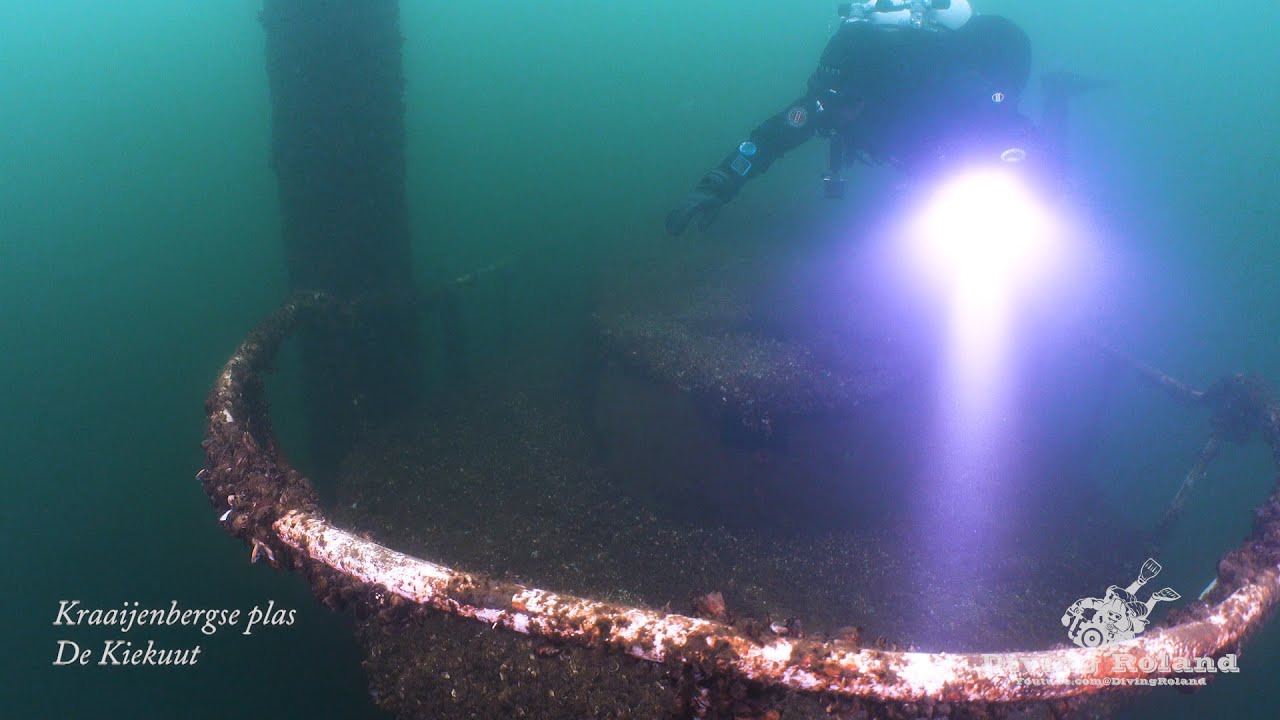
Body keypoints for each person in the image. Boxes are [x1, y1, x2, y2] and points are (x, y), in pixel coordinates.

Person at [666, 0, 1049, 236]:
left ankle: (1062, 96)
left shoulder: (950, 88)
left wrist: (1021, 164)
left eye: (843, 103)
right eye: (828, 103)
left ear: (869, 92)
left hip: (956, 158)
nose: (831, 115)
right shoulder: (833, 98)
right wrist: (720, 182)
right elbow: (771, 137)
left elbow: (1009, 126)